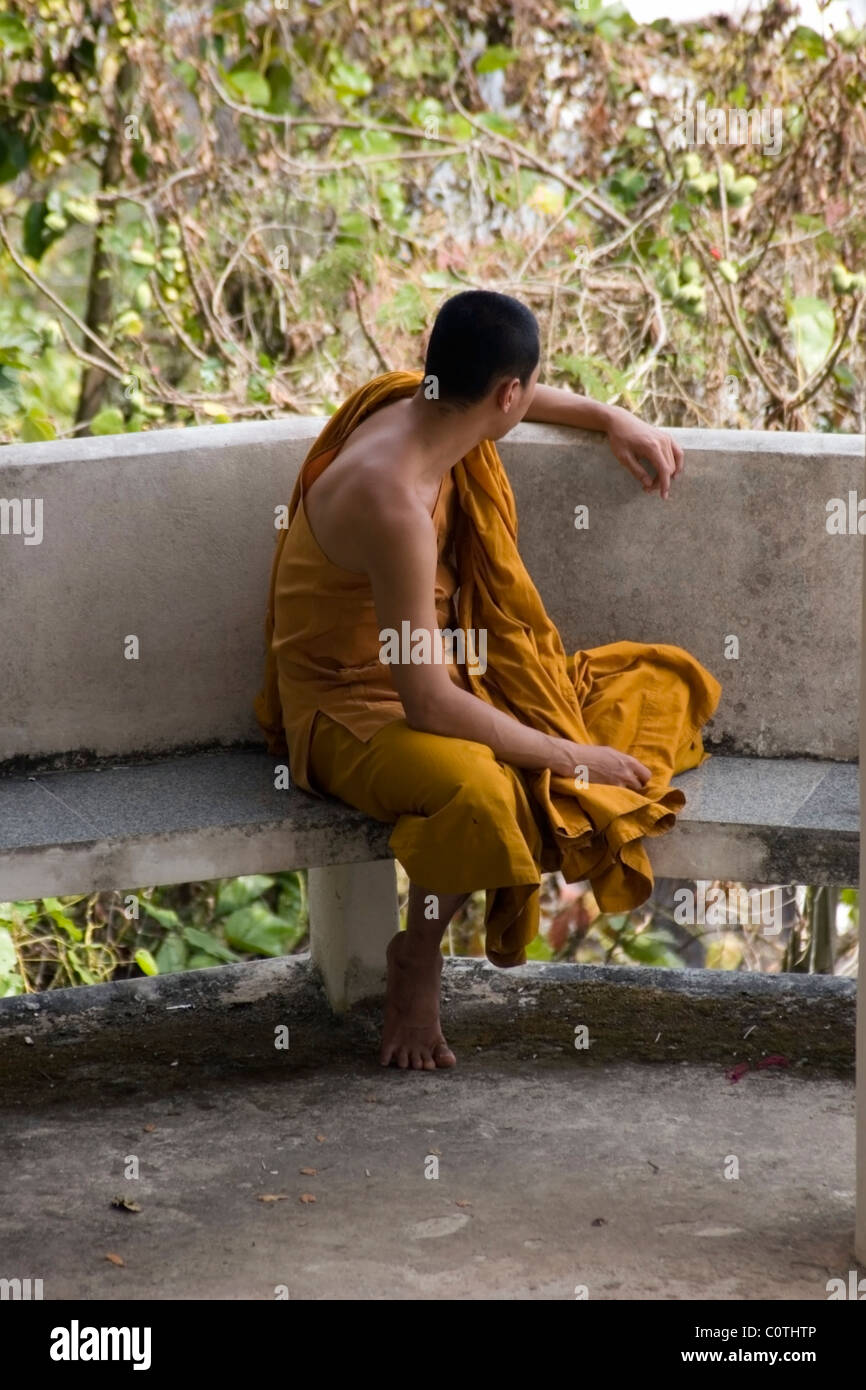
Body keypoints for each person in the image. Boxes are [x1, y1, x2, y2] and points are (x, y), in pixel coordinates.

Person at [254, 290, 721, 1071]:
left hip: (425, 669)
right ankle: (418, 957)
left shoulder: (423, 401)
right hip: (345, 707)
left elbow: (520, 395)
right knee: (489, 789)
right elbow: (428, 702)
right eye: (530, 389)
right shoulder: (395, 501)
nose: (532, 400)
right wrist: (575, 758)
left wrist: (610, 418)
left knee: (653, 685)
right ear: (507, 395)